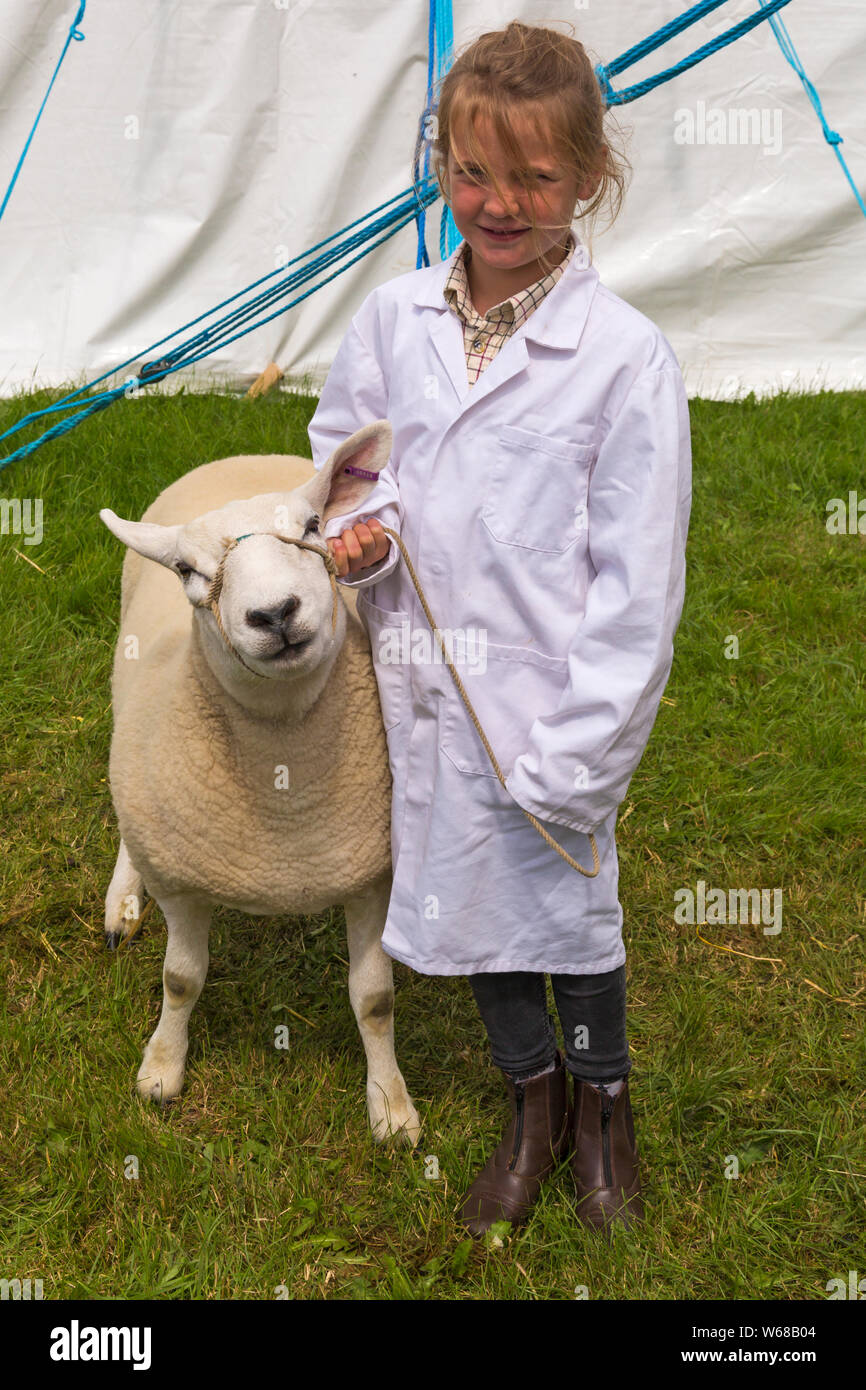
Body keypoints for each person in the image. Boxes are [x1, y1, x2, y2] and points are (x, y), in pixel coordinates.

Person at [307, 20, 692, 1237]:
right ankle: (531, 1102)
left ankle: (602, 1104)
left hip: (549, 707)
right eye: (473, 173)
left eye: (533, 177)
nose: (499, 203)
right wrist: (352, 533)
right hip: (430, 695)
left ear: (589, 176)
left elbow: (637, 593)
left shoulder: (625, 363)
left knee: (570, 928)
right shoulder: (390, 321)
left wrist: (577, 760)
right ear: (440, 168)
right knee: (474, 921)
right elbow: (347, 464)